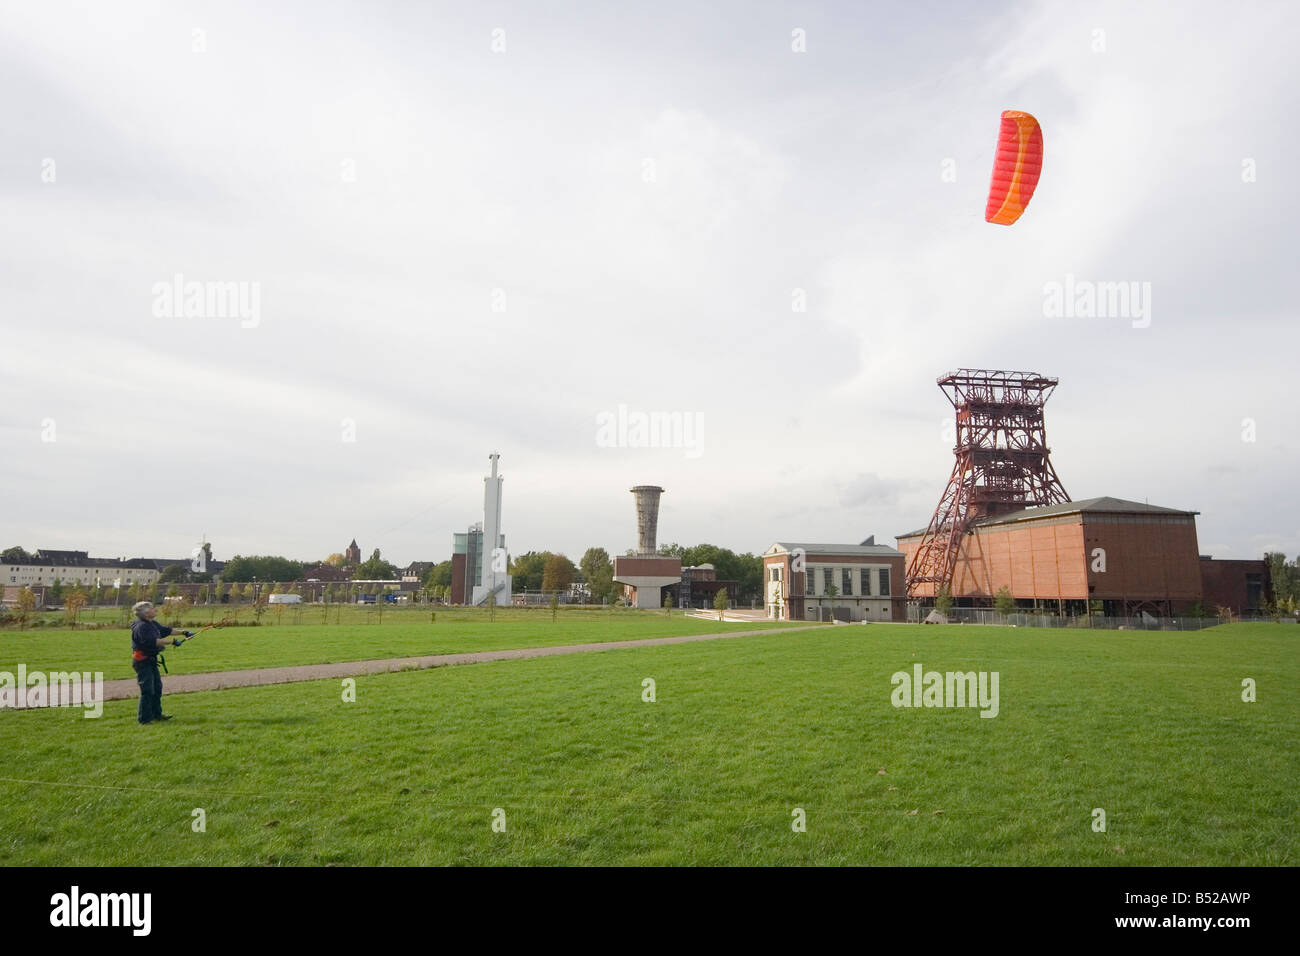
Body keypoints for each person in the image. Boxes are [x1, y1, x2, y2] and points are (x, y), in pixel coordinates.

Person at [130, 601, 192, 725]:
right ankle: (144, 719)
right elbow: (155, 642)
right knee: (147, 690)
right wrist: (173, 642)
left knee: (157, 688)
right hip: (142, 662)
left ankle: (156, 715)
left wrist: (183, 632)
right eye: (153, 609)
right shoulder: (141, 627)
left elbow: (166, 630)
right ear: (147, 613)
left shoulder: (151, 623)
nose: (156, 610)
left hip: (151, 661)